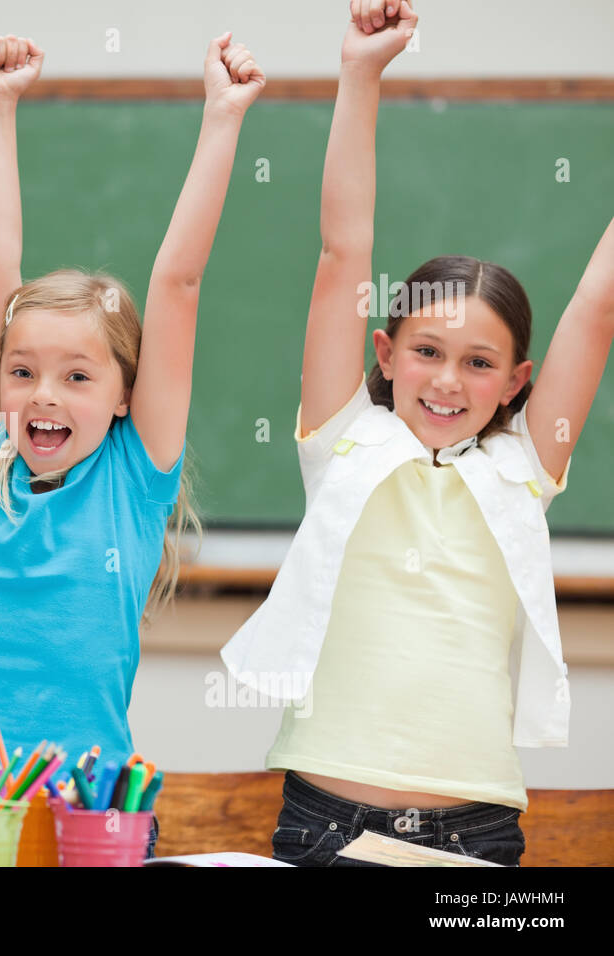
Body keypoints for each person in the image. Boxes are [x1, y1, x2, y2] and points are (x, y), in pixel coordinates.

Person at [222, 1, 614, 866]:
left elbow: (597, 306)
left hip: (478, 835)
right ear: (385, 353)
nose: (447, 379)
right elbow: (341, 253)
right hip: (326, 822)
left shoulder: (525, 467)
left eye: (480, 363)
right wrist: (360, 74)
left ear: (518, 383)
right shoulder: (343, 440)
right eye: (428, 351)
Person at [0, 33, 264, 855]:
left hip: (97, 808)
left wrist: (222, 119)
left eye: (78, 377)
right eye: (23, 371)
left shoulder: (134, 475)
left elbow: (178, 282)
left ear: (126, 395)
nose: (43, 394)